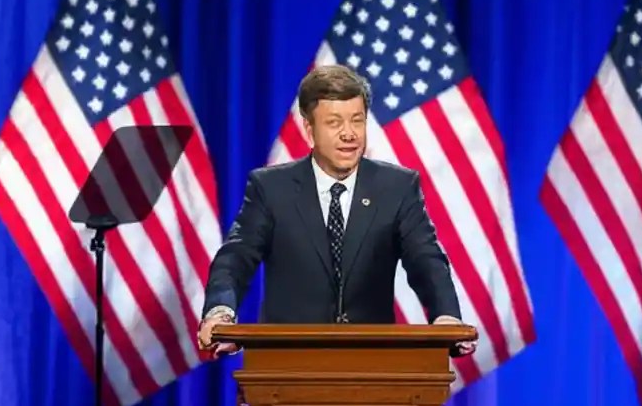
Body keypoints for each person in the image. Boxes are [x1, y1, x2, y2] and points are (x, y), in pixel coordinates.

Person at [196, 64, 474, 355]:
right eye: (334, 123)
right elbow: (236, 258)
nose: (349, 134)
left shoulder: (397, 187)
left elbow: (425, 259)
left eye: (357, 121)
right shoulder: (271, 188)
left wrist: (446, 316)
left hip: (370, 363)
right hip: (287, 364)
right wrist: (220, 311)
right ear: (309, 131)